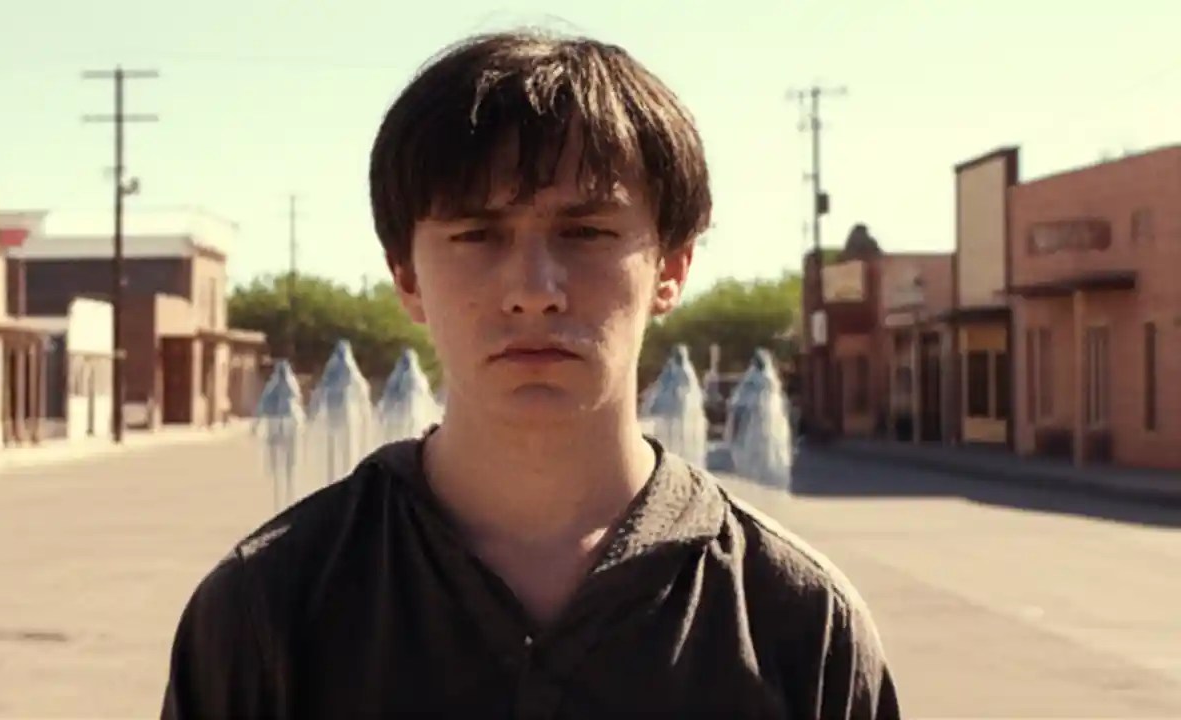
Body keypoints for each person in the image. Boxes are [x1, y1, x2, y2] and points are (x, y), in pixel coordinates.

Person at [161, 29, 900, 718]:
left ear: (671, 268)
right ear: (407, 277)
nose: (534, 287)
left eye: (586, 232)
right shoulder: (269, 607)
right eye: (477, 234)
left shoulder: (795, 620)